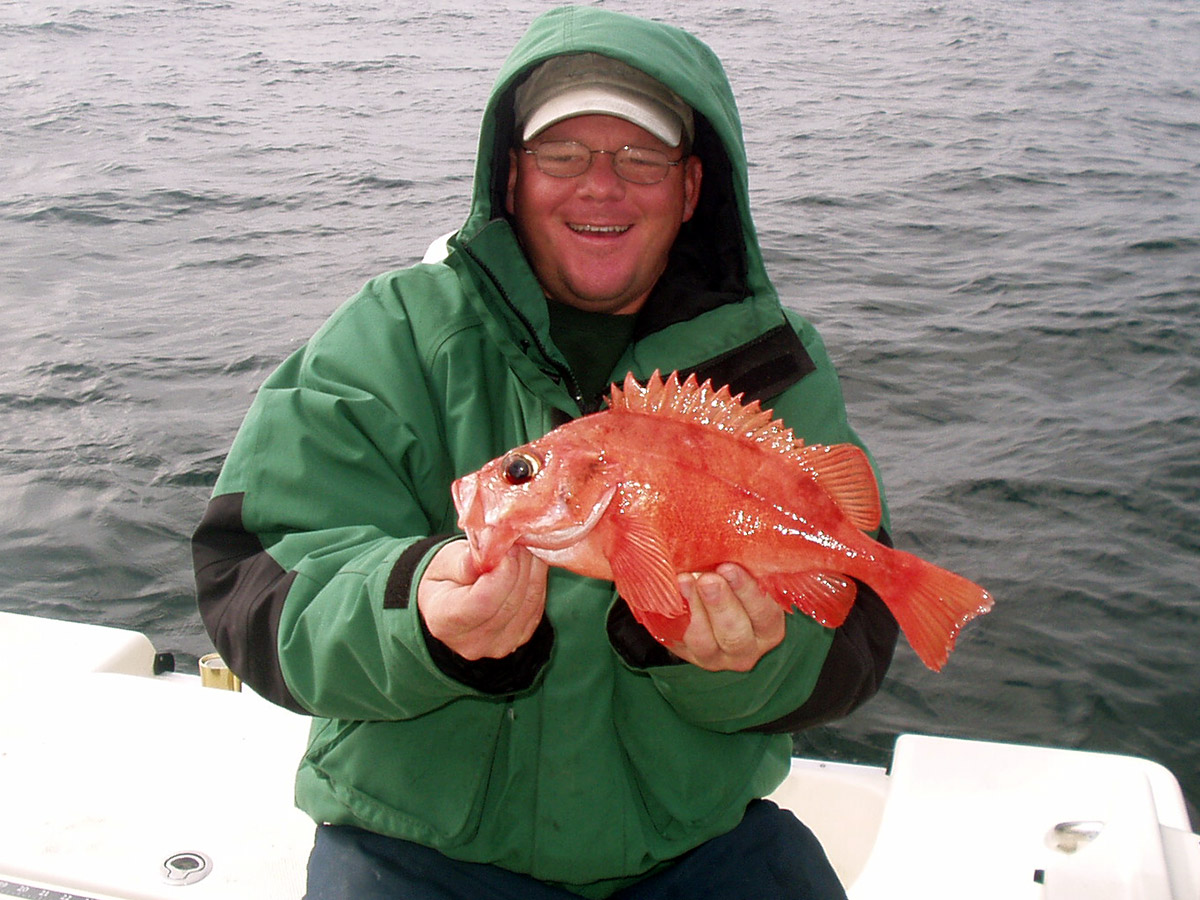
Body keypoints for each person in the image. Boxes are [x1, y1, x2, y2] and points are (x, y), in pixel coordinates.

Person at [193, 7, 899, 899]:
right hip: (414, 846)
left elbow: (857, 628)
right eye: (563, 154)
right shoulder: (392, 334)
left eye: (639, 156)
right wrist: (416, 619)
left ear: (690, 188)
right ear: (514, 176)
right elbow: (253, 575)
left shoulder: (773, 364)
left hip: (696, 844)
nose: (600, 186)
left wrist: (735, 662)